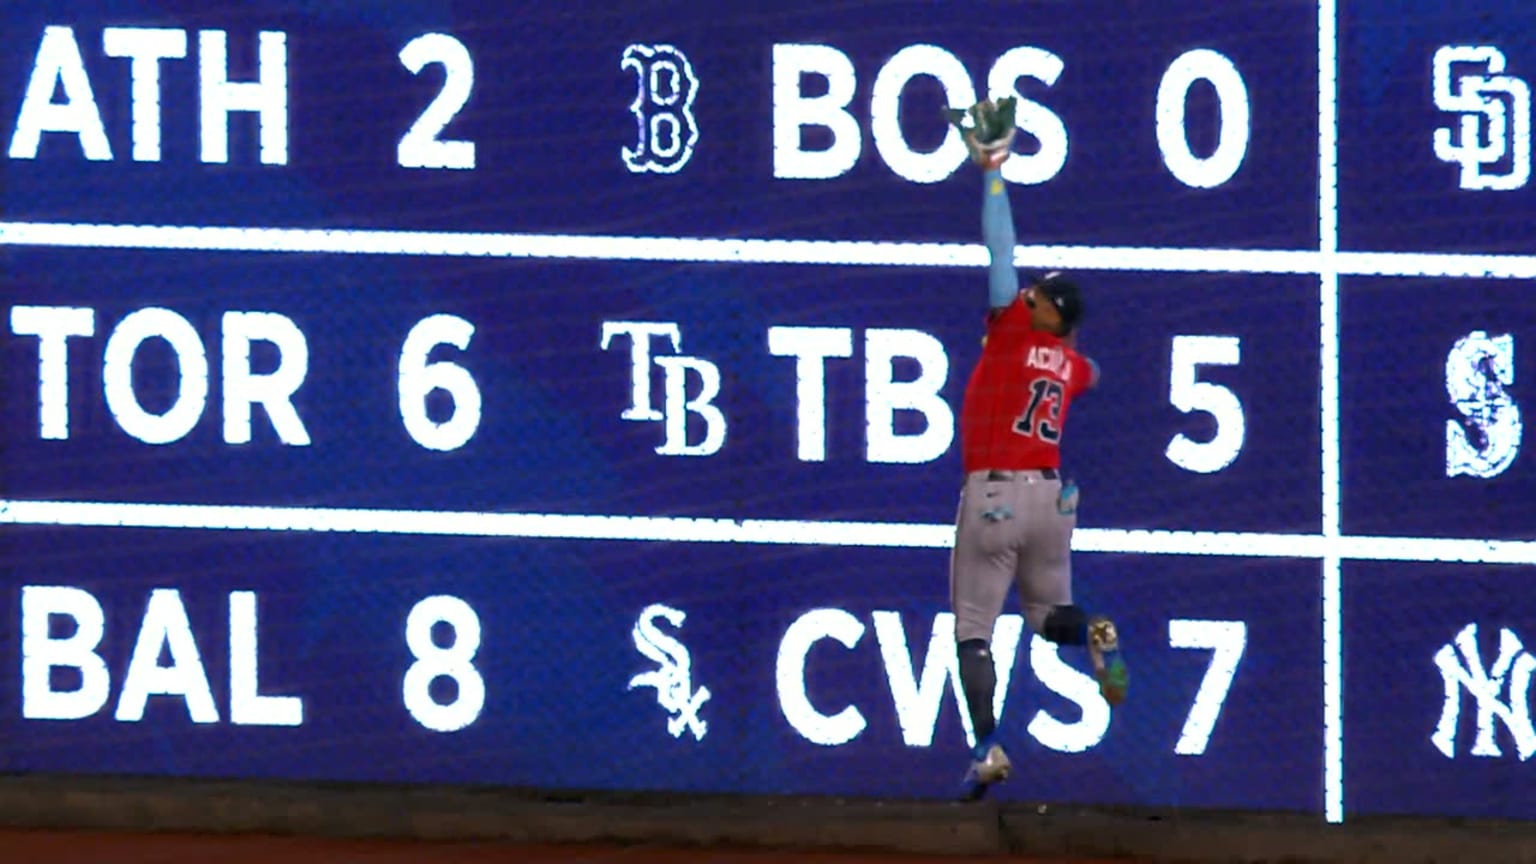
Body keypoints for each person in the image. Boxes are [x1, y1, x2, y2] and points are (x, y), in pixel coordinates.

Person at [949, 101, 1129, 802]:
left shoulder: (1010, 334)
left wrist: (994, 175)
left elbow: (1000, 250)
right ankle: (1094, 631)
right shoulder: (1069, 364)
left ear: (1045, 313)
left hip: (994, 495)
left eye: (1039, 295)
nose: (1026, 292)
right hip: (1053, 501)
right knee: (1049, 618)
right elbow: (1088, 369)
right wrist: (1063, 329)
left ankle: (987, 748)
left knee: (974, 632)